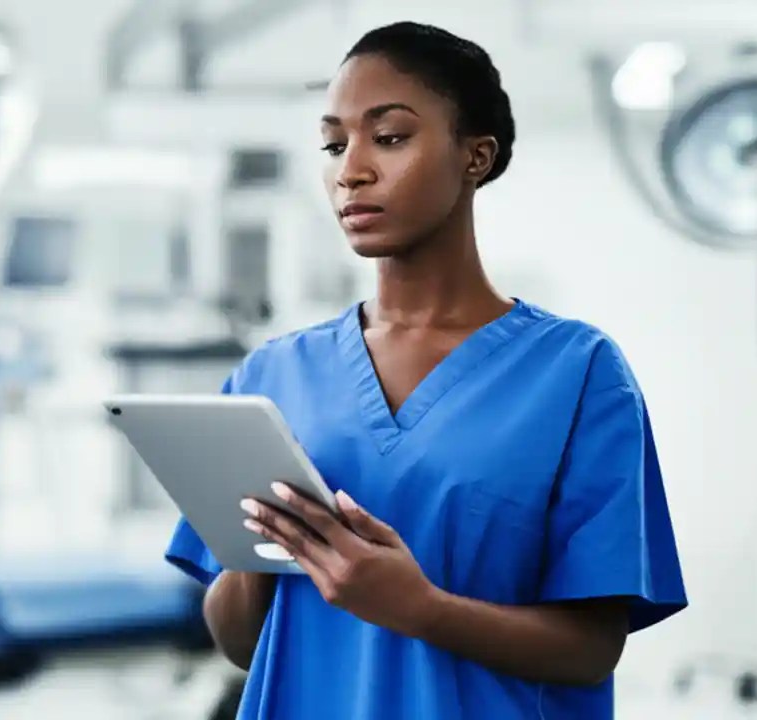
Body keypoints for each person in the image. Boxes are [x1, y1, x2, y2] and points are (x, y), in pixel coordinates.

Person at [165, 20, 688, 720]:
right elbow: (239, 641)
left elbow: (591, 649)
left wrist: (419, 608)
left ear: (476, 156)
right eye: (333, 143)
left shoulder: (577, 375)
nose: (351, 168)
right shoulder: (274, 375)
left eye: (389, 137)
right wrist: (266, 551)